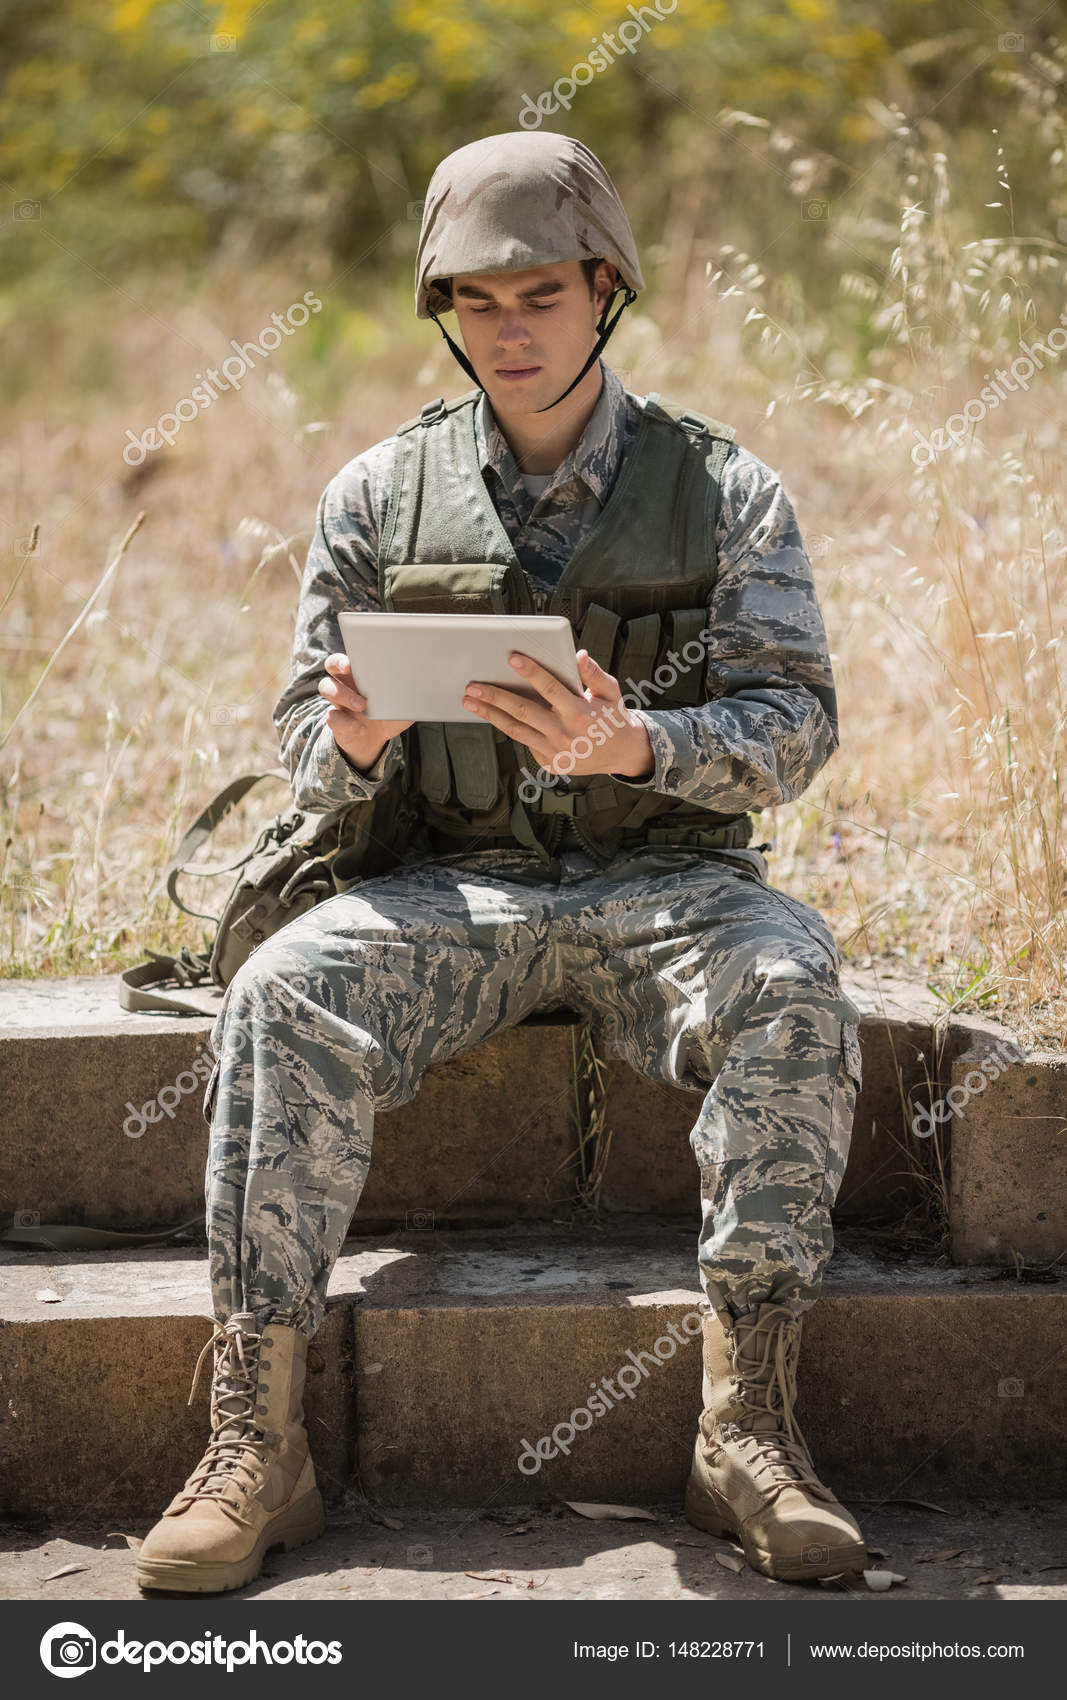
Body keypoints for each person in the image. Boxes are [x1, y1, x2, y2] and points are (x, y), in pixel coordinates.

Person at [136, 130, 867, 1595]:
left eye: (539, 292)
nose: (509, 328)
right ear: (444, 314)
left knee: (793, 987)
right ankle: (256, 1444)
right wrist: (345, 747)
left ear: (607, 288)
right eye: (476, 301)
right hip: (448, 889)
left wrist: (638, 749)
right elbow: (297, 734)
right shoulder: (376, 496)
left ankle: (747, 1427)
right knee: (281, 989)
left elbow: (796, 723)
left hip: (667, 883)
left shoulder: (724, 493)